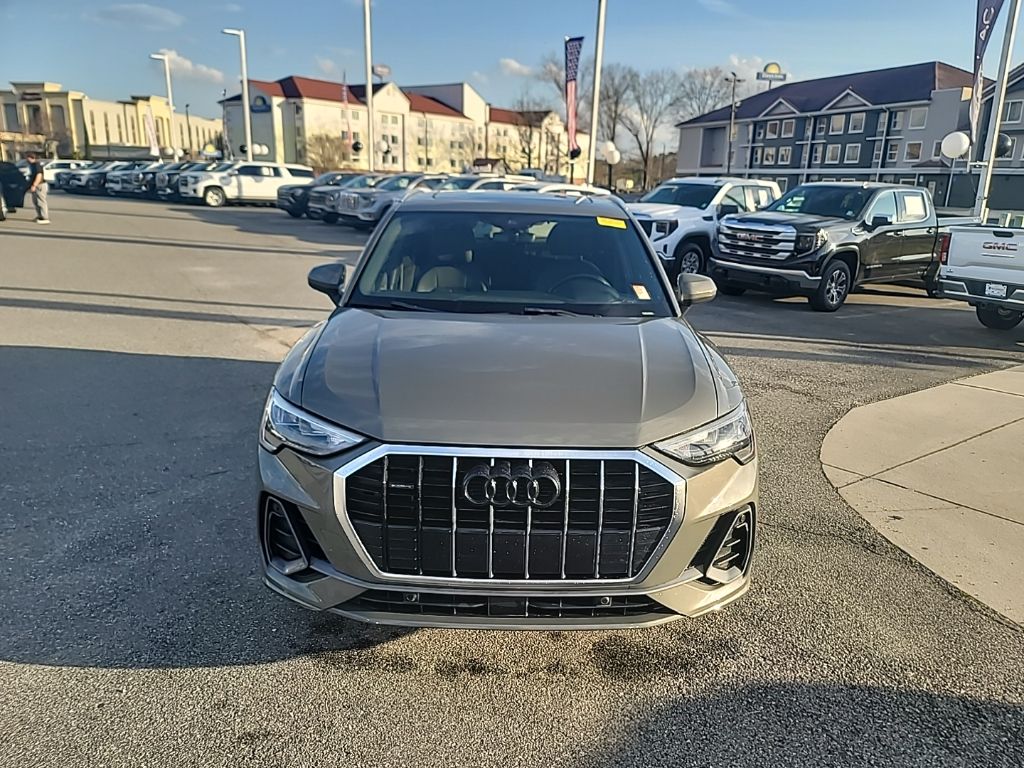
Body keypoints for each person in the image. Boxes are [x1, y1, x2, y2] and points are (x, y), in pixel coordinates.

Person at [25, 151, 49, 224]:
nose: (26, 160)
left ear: (31, 158)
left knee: (41, 201)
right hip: (36, 185)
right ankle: (40, 216)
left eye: (27, 158)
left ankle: (45, 217)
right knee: (36, 201)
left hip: (40, 185)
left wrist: (34, 185)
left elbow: (39, 175)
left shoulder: (37, 165)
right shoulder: (32, 165)